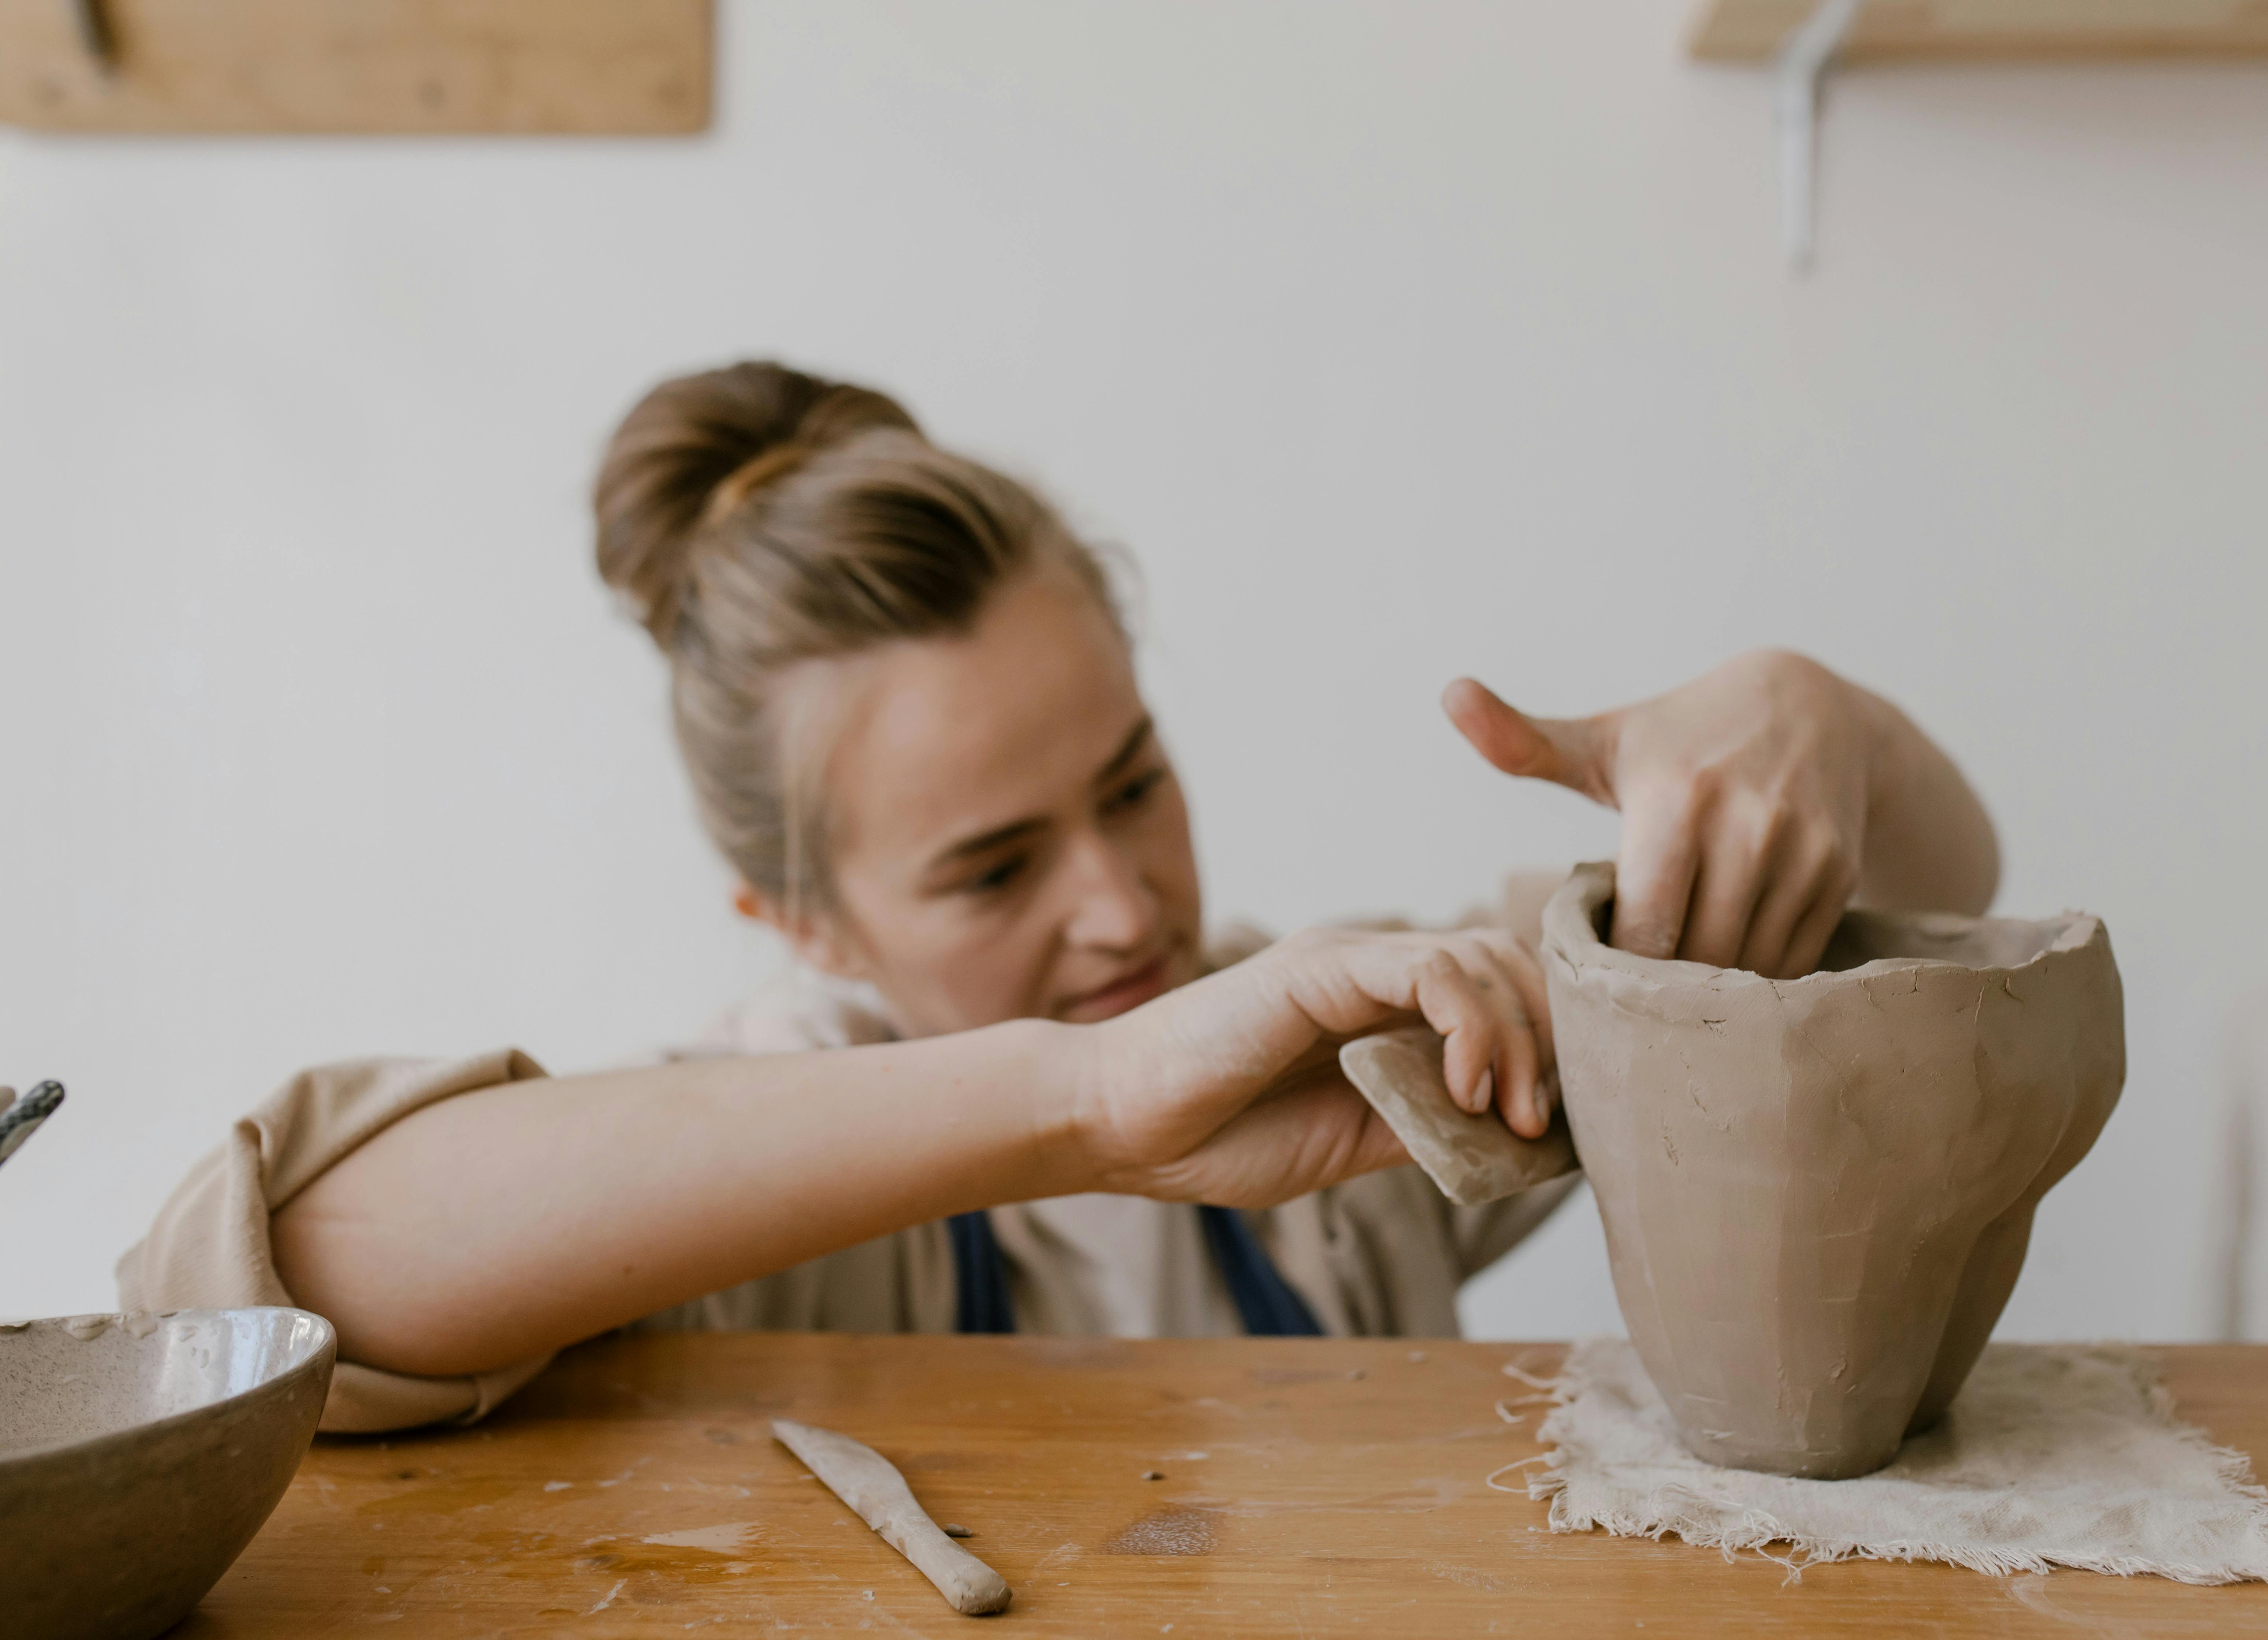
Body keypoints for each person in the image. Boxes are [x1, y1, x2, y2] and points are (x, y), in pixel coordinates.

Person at [119, 362, 2000, 1432]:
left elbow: (1928, 892)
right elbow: (292, 1277)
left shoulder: (1376, 1057)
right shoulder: (735, 1184)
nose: (1123, 909)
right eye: (993, 866)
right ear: (804, 928)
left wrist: (1810, 727)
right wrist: (1086, 1107)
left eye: (1133, 785)